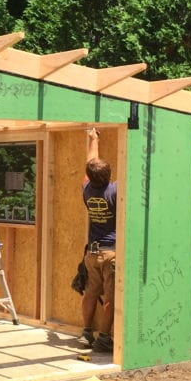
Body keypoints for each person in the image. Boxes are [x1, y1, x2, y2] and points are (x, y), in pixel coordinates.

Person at [80, 127, 117, 353]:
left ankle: (86, 332)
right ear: (108, 176)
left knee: (91, 292)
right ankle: (103, 337)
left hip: (92, 253)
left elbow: (90, 162)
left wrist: (93, 139)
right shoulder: (115, 191)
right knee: (111, 297)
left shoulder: (86, 190)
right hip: (111, 252)